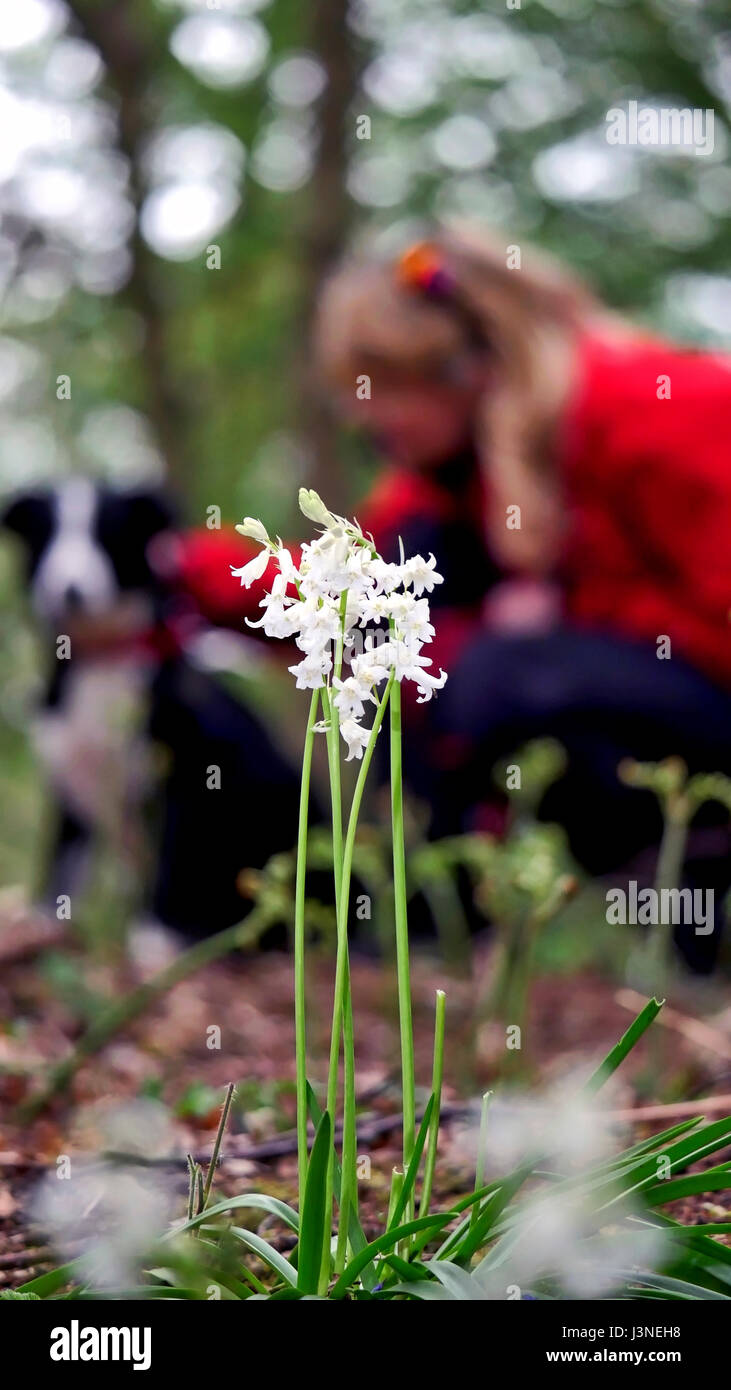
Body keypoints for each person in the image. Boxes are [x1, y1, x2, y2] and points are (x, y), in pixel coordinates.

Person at [173, 227, 731, 959]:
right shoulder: (454, 481)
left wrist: (558, 620)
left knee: (500, 674)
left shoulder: (658, 408)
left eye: (379, 387)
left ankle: (703, 901)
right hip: (637, 721)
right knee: (403, 651)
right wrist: (178, 568)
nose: (360, 417)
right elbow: (351, 597)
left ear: (467, 368)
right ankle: (428, 937)